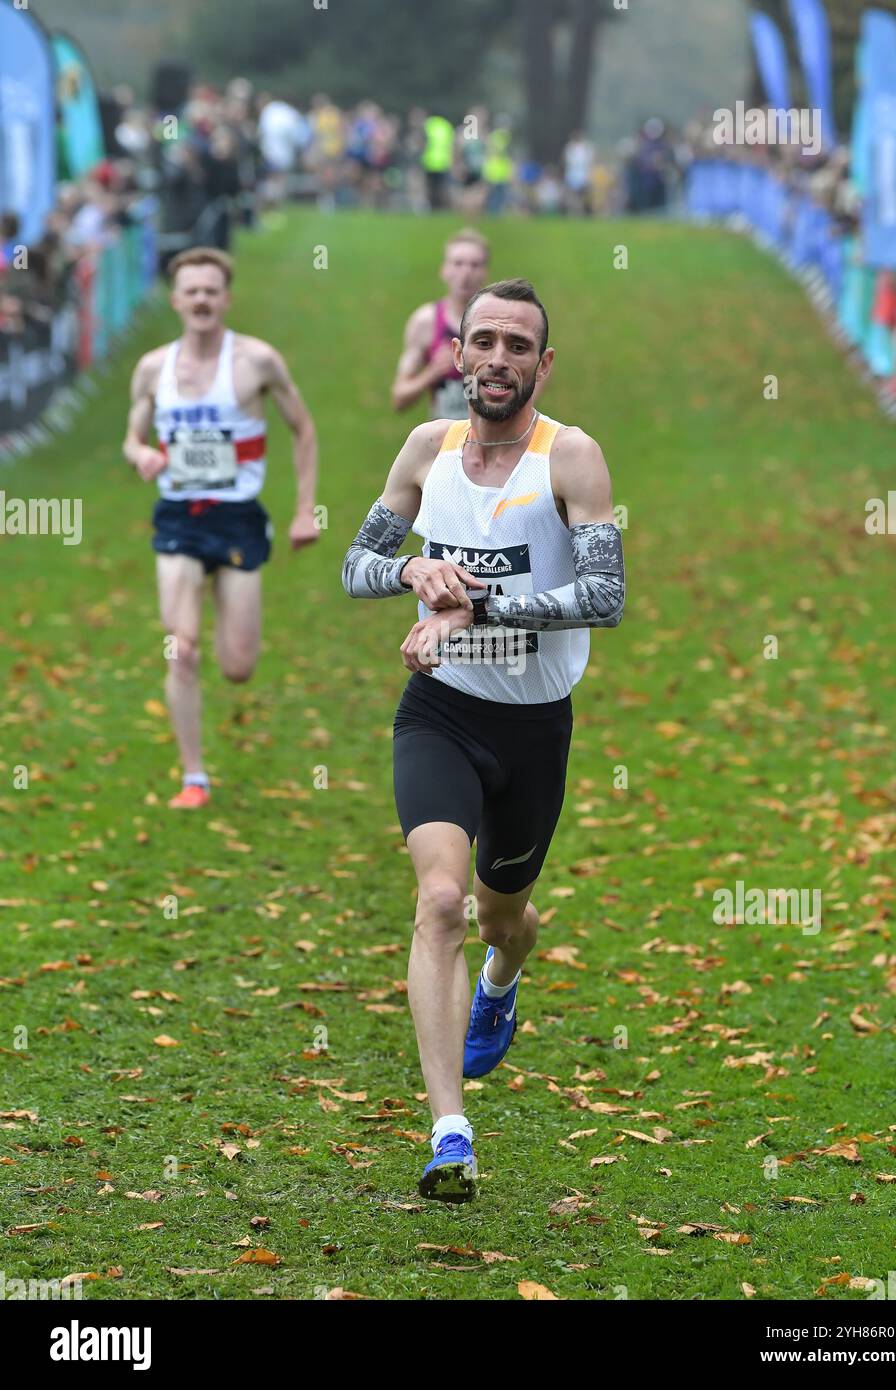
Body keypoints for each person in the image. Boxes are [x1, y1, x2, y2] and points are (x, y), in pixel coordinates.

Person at [342, 278, 625, 1202]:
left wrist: (474, 609)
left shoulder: (571, 458)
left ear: (542, 365)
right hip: (442, 712)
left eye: (517, 346)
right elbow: (354, 566)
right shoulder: (425, 449)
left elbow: (603, 598)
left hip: (535, 726)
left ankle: (504, 975)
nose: (497, 359)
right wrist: (410, 568)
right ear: (456, 354)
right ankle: (449, 1131)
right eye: (483, 342)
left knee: (504, 915)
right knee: (438, 902)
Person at [123, 246, 319, 808]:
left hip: (238, 518)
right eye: (192, 290)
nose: (203, 299)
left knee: (237, 666)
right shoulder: (152, 368)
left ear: (226, 298)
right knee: (179, 650)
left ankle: (221, 625)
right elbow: (132, 435)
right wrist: (140, 455)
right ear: (176, 299)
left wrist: (305, 510)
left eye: (212, 290)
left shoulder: (257, 361)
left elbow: (303, 430)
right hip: (179, 516)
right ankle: (194, 777)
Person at [391, 228, 489, 421]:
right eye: (458, 263)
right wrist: (431, 373)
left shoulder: (500, 321)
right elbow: (399, 398)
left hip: (493, 444)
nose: (466, 273)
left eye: (474, 265)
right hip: (444, 443)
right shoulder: (425, 322)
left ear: (485, 272)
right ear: (444, 270)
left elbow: (539, 370)